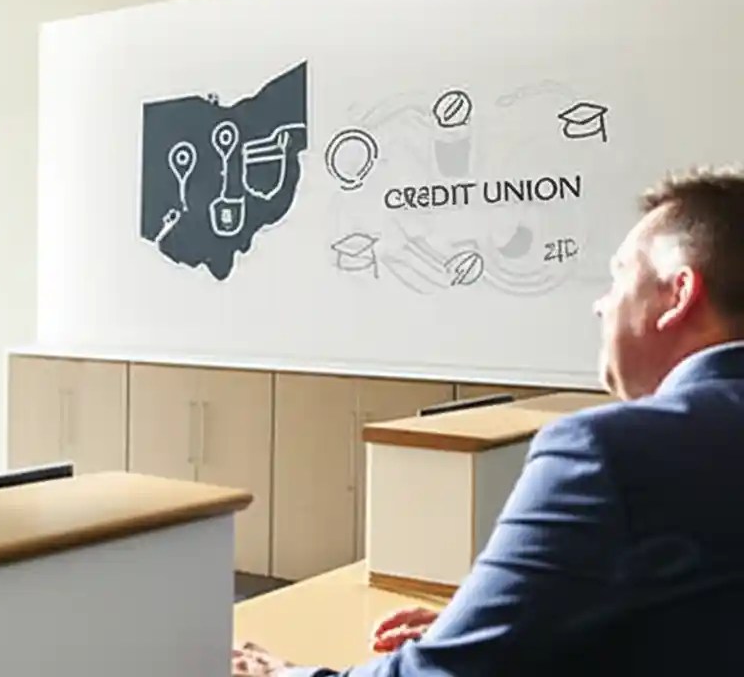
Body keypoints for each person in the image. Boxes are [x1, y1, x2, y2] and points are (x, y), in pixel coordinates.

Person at [241, 167, 744, 676]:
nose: (600, 305)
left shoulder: (604, 452)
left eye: (618, 276)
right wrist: (510, 619)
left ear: (678, 295)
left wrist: (280, 674)